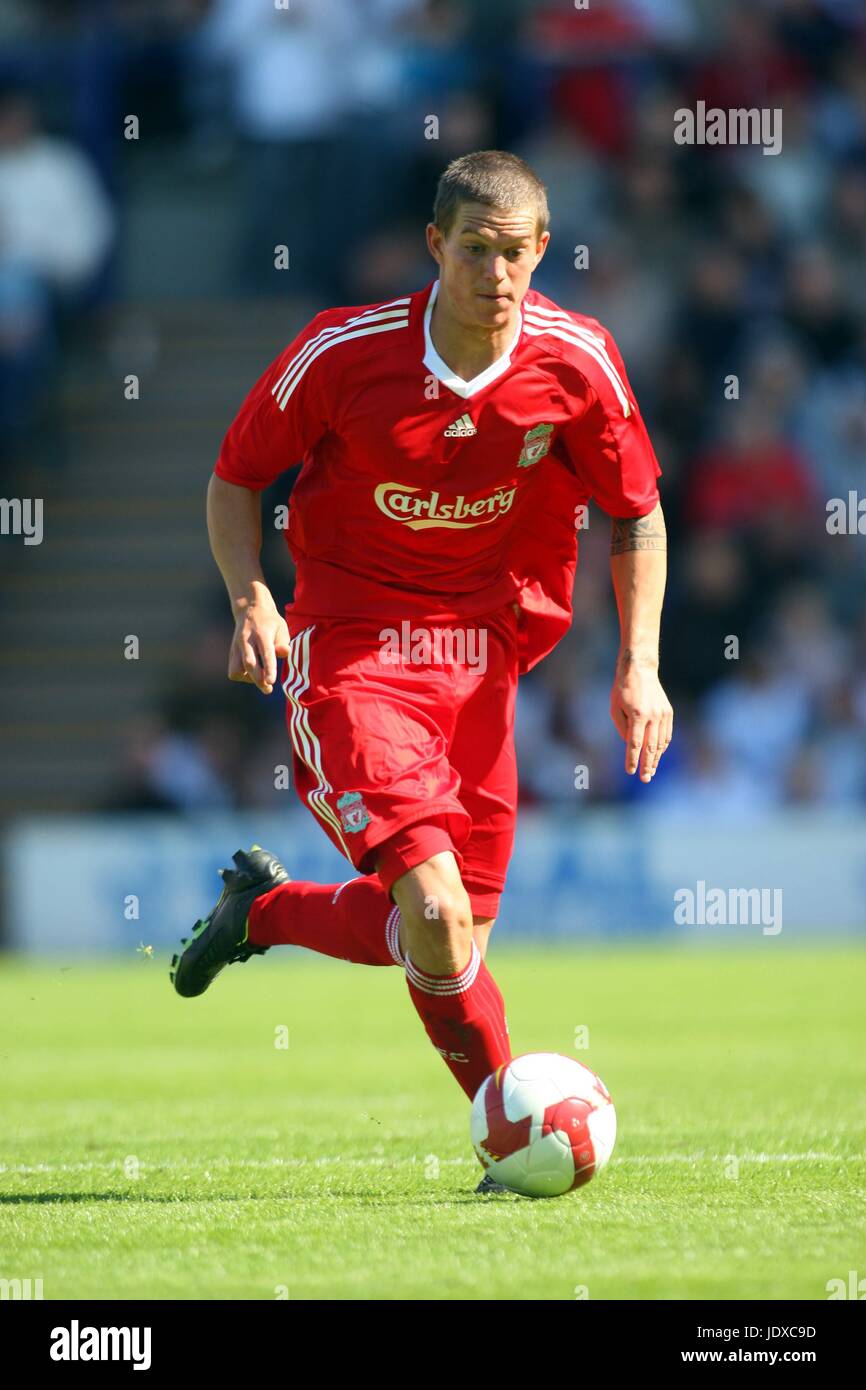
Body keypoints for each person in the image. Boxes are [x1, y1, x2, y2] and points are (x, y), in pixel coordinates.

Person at [170, 151, 672, 1188]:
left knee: (448, 936)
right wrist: (250, 595)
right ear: (436, 246)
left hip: (483, 659)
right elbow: (234, 477)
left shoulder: (576, 361)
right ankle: (519, 1143)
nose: (497, 274)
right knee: (437, 917)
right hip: (352, 651)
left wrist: (641, 664)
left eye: (517, 254)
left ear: (542, 252)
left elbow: (634, 513)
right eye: (476, 250)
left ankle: (257, 912)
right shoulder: (342, 352)